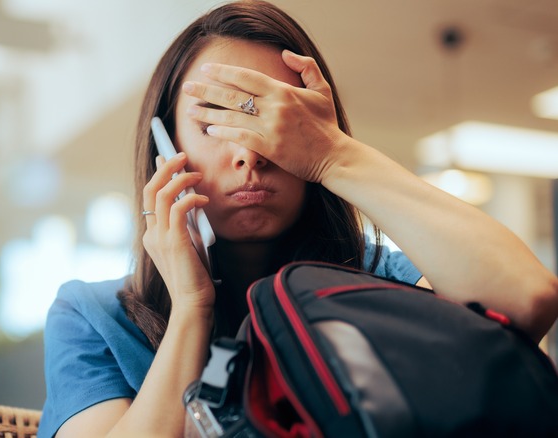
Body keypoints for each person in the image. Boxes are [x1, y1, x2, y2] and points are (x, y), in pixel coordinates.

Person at [38, 1, 558, 436]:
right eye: (215, 123)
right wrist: (192, 308)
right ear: (166, 150)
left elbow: (527, 299)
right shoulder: (92, 316)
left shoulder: (380, 284)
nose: (251, 153)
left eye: (275, 121)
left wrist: (335, 156)